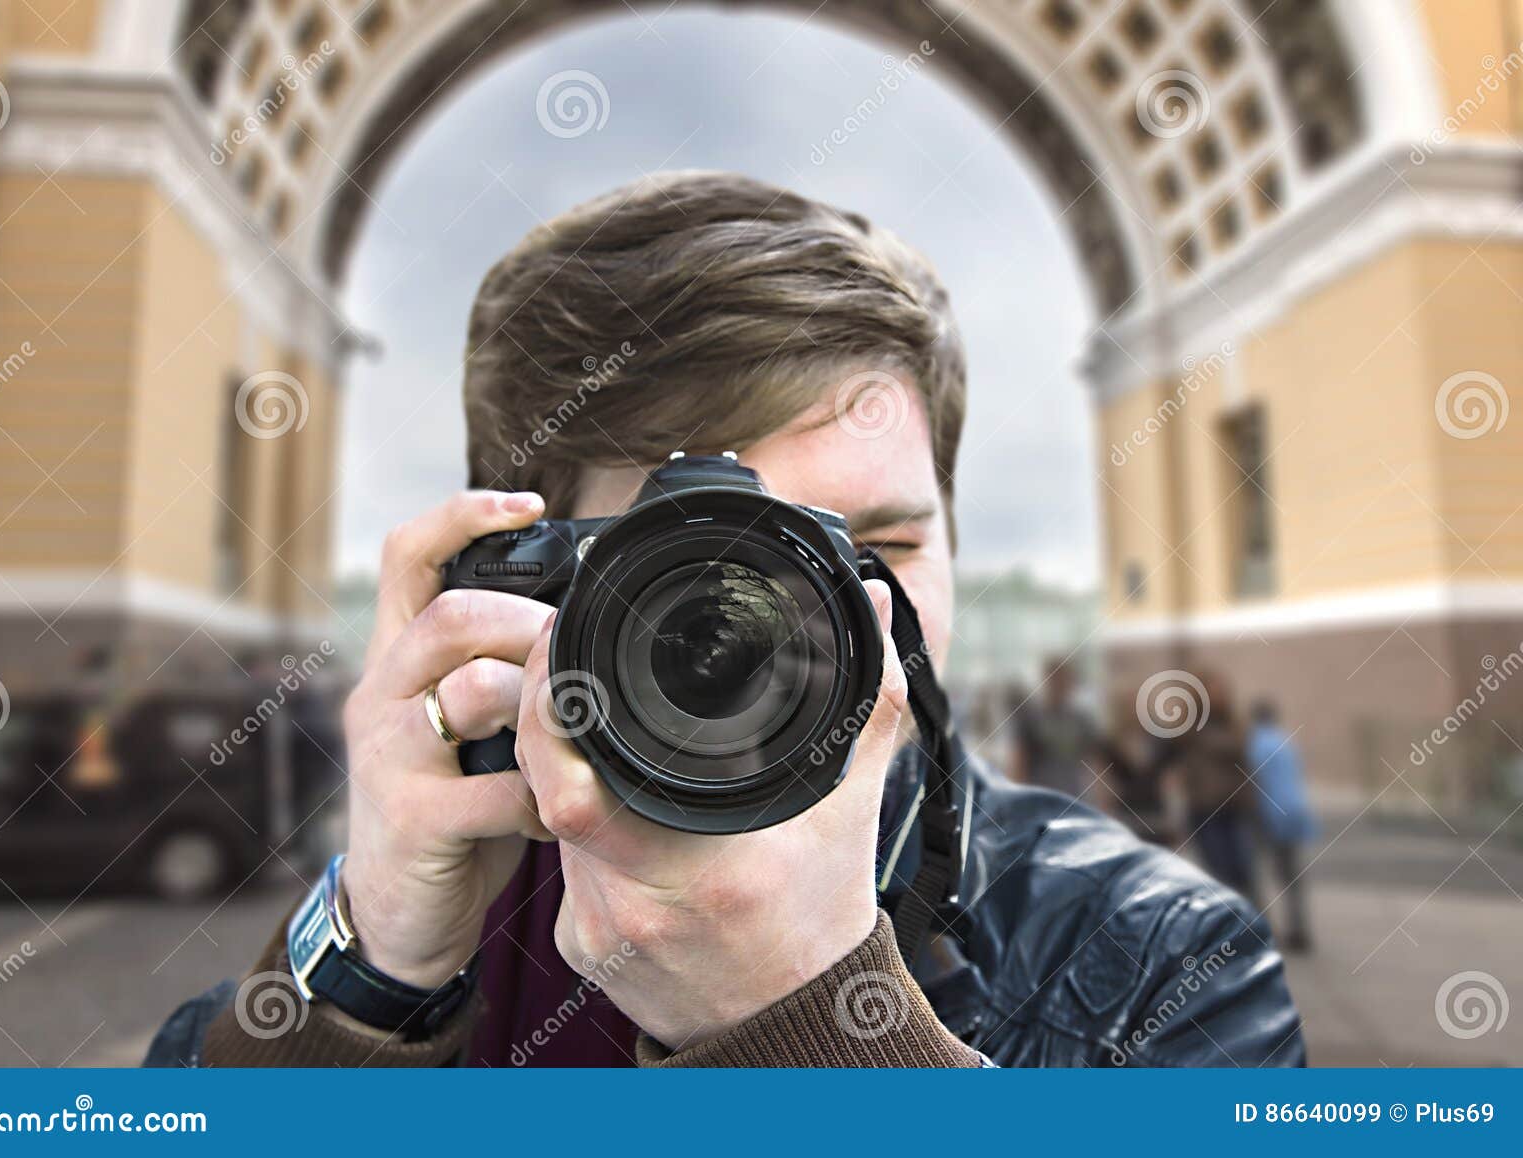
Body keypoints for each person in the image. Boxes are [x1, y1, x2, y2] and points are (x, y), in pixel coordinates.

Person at [147, 172, 1303, 1068]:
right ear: (517, 584)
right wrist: (370, 969)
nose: (818, 619)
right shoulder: (468, 873)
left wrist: (812, 1025)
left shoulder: (1162, 960)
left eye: (878, 550)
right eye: (700, 571)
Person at [1174, 672, 1259, 899]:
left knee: (1243, 872)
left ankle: (1253, 927)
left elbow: (1239, 749)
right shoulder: (1190, 727)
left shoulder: (1234, 725)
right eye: (1212, 690)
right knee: (1219, 874)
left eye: (1220, 690)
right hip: (1204, 809)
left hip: (1234, 807)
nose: (1218, 695)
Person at [1245, 701, 1318, 952]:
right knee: (1292, 876)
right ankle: (1299, 929)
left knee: (1254, 872)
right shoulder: (1286, 741)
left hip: (1269, 814)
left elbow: (1255, 780)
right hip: (1294, 811)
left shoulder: (1255, 743)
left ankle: (1260, 929)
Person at [1009, 659, 1103, 802]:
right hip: (1041, 797)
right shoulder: (1030, 718)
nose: (1060, 684)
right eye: (1055, 679)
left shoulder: (1081, 720)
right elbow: (1020, 762)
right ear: (1047, 680)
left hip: (1073, 796)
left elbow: (1095, 762)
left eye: (1064, 679)